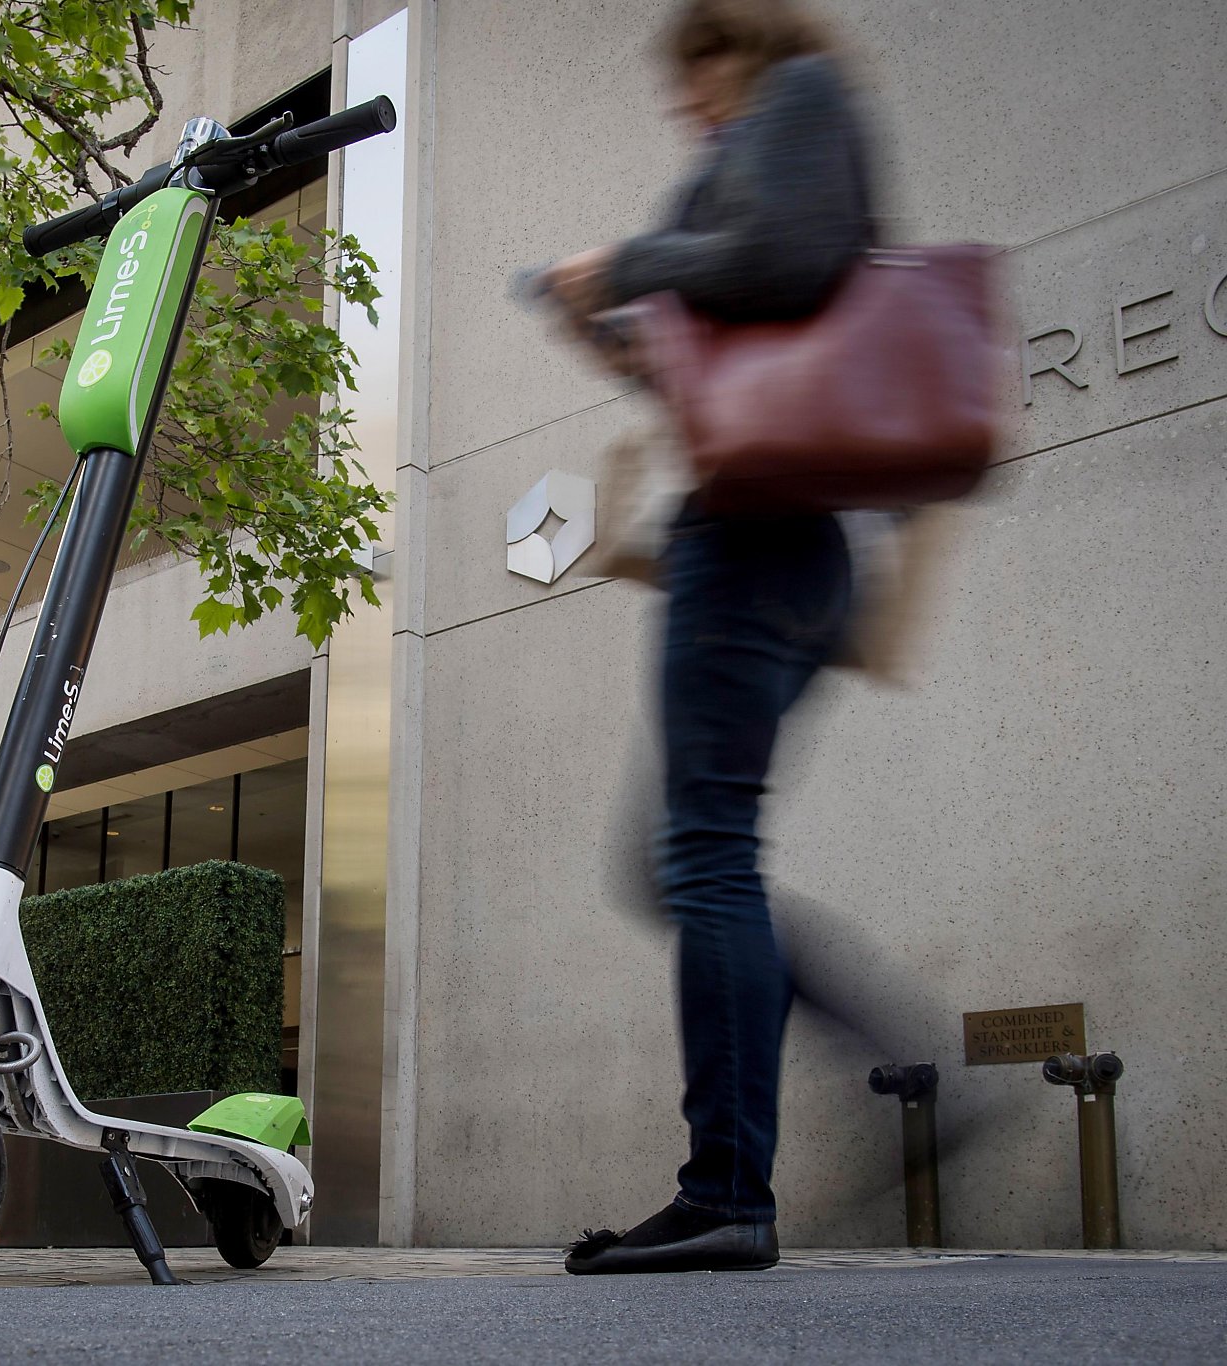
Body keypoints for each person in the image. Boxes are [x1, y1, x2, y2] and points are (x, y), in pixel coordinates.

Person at [539, 0, 875, 1274]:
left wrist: (625, 264)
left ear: (748, 48)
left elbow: (777, 261)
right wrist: (607, 333)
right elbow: (724, 363)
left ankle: (726, 1190)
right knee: (679, 864)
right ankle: (867, 1059)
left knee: (701, 857)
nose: (688, 105)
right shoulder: (774, 139)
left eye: (699, 75)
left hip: (753, 540)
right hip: (769, 537)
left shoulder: (799, 104)